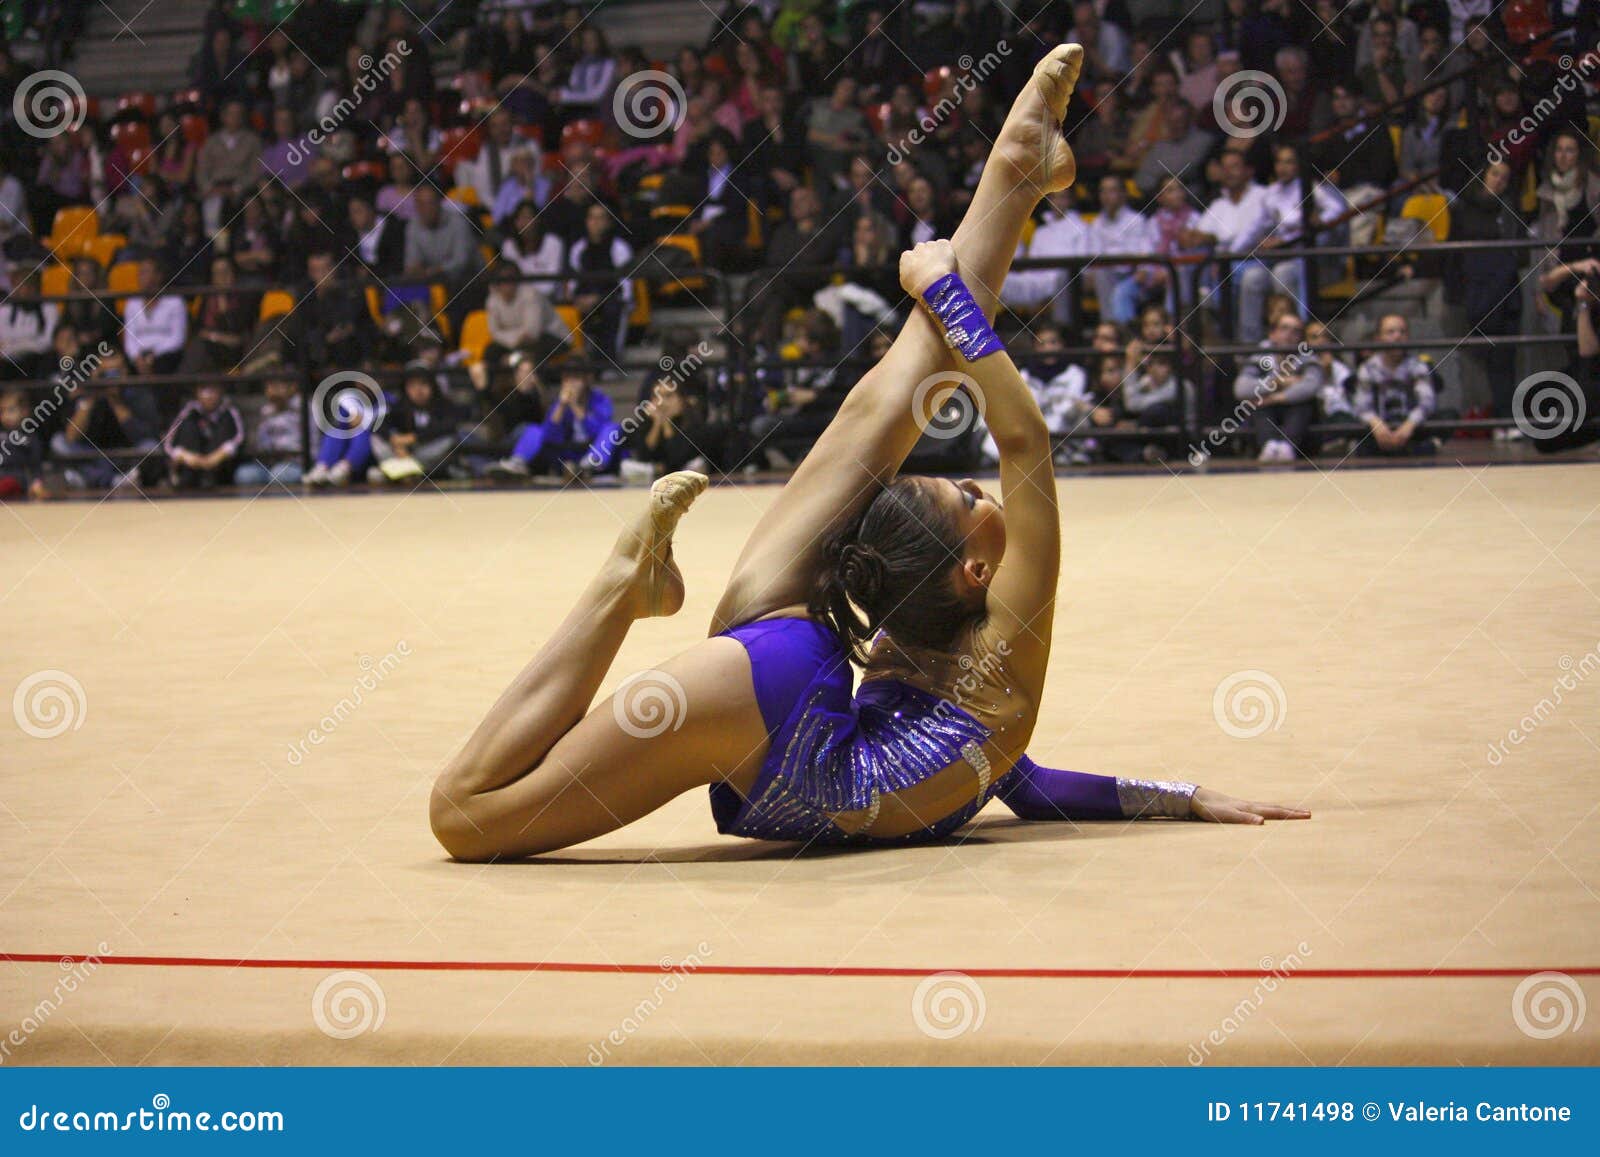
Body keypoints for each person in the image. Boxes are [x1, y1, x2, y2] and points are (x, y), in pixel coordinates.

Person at [429, 46, 1309, 861]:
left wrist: (1179, 797)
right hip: (781, 718)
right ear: (968, 569)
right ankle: (1013, 176)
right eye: (971, 492)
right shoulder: (989, 652)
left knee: (469, 815)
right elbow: (1018, 771)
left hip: (782, 711)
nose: (984, 486)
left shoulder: (978, 633)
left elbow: (1023, 776)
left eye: (966, 491)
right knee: (880, 403)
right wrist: (1174, 795)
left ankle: (624, 591)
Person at [1233, 310, 1323, 462]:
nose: (1289, 334)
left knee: (1303, 401)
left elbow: (1311, 386)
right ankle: (1270, 446)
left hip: (1298, 419)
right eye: (1284, 328)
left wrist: (1276, 398)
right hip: (1266, 412)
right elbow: (1241, 388)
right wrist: (1278, 382)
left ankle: (1287, 447)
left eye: (1296, 331)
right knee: (1258, 401)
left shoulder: (1307, 357)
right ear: (1272, 334)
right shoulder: (1261, 356)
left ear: (1301, 338)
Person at [1354, 313, 1438, 456]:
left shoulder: (1418, 366)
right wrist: (1377, 426)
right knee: (1354, 426)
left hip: (1410, 426)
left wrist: (1409, 426)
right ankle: (1418, 448)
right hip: (1380, 427)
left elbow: (1427, 402)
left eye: (1402, 332)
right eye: (1390, 332)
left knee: (1447, 416)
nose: (1397, 336)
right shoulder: (1368, 368)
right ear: (1378, 338)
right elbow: (1362, 407)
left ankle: (1408, 447)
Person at [163, 380, 246, 489]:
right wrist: (185, 456)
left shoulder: (229, 411)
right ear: (197, 392)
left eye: (213, 390)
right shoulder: (189, 411)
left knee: (224, 426)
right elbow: (168, 443)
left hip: (220, 468)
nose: (208, 395)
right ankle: (186, 480)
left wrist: (217, 456)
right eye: (204, 390)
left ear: (220, 391)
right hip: (191, 465)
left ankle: (210, 479)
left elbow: (240, 438)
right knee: (189, 426)